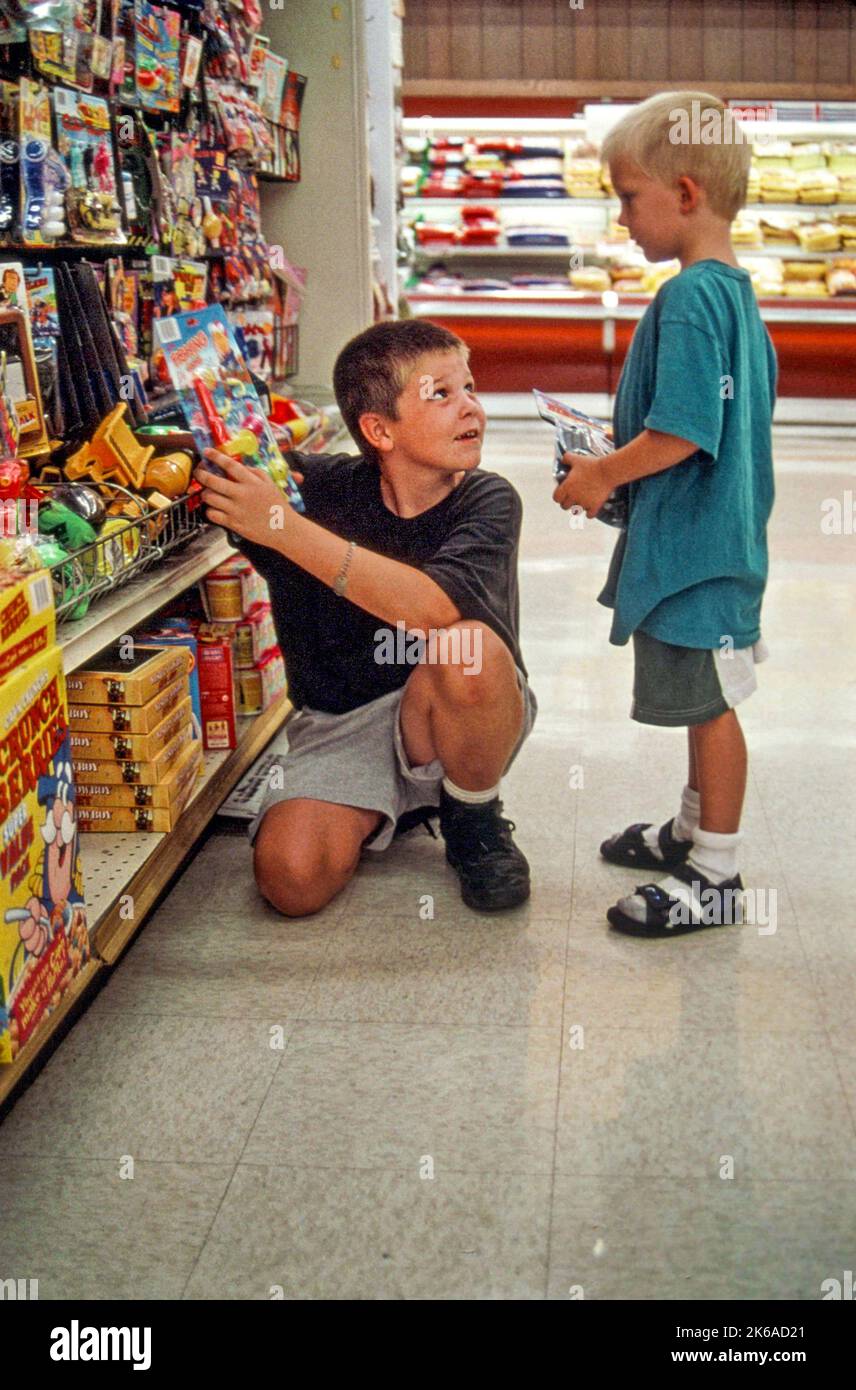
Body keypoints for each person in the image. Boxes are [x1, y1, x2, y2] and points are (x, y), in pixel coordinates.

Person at [195, 319, 537, 916]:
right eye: (442, 394)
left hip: (453, 709)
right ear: (378, 429)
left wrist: (283, 527)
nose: (471, 408)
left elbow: (429, 611)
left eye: (470, 388)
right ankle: (389, 804)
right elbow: (223, 462)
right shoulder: (314, 489)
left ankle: (472, 816)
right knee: (290, 881)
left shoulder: (488, 499)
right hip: (339, 726)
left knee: (471, 649)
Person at [553, 91, 776, 937]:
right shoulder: (732, 295)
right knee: (696, 695)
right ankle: (690, 828)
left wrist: (604, 474)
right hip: (715, 538)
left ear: (685, 193)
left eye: (627, 197)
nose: (622, 220)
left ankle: (717, 871)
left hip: (696, 554)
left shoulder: (686, 301)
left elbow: (684, 429)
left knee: (709, 704)